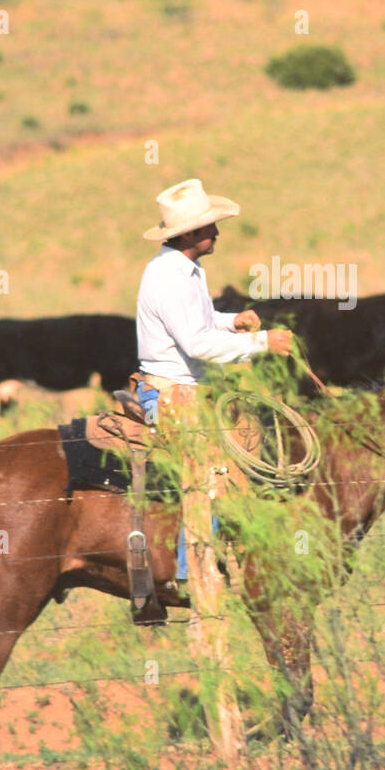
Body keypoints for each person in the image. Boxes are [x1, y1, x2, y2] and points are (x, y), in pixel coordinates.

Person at [136, 177, 293, 592]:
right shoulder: (172, 277)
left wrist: (234, 321)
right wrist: (261, 342)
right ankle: (197, 574)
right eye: (209, 227)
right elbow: (196, 342)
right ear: (189, 233)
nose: (217, 233)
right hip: (173, 392)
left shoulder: (186, 269)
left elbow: (199, 324)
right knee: (211, 476)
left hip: (185, 385)